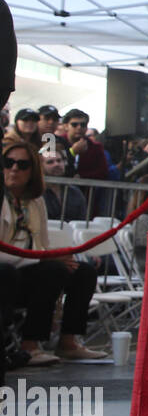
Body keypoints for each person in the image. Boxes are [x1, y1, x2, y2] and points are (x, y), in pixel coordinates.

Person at [0, 137, 106, 362]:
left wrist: (58, 255)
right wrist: (46, 259)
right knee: (51, 270)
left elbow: (42, 244)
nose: (14, 169)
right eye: (8, 163)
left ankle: (68, 342)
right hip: (7, 271)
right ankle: (30, 344)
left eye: (23, 165)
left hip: (28, 267)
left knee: (83, 271)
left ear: (32, 171)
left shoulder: (36, 201)